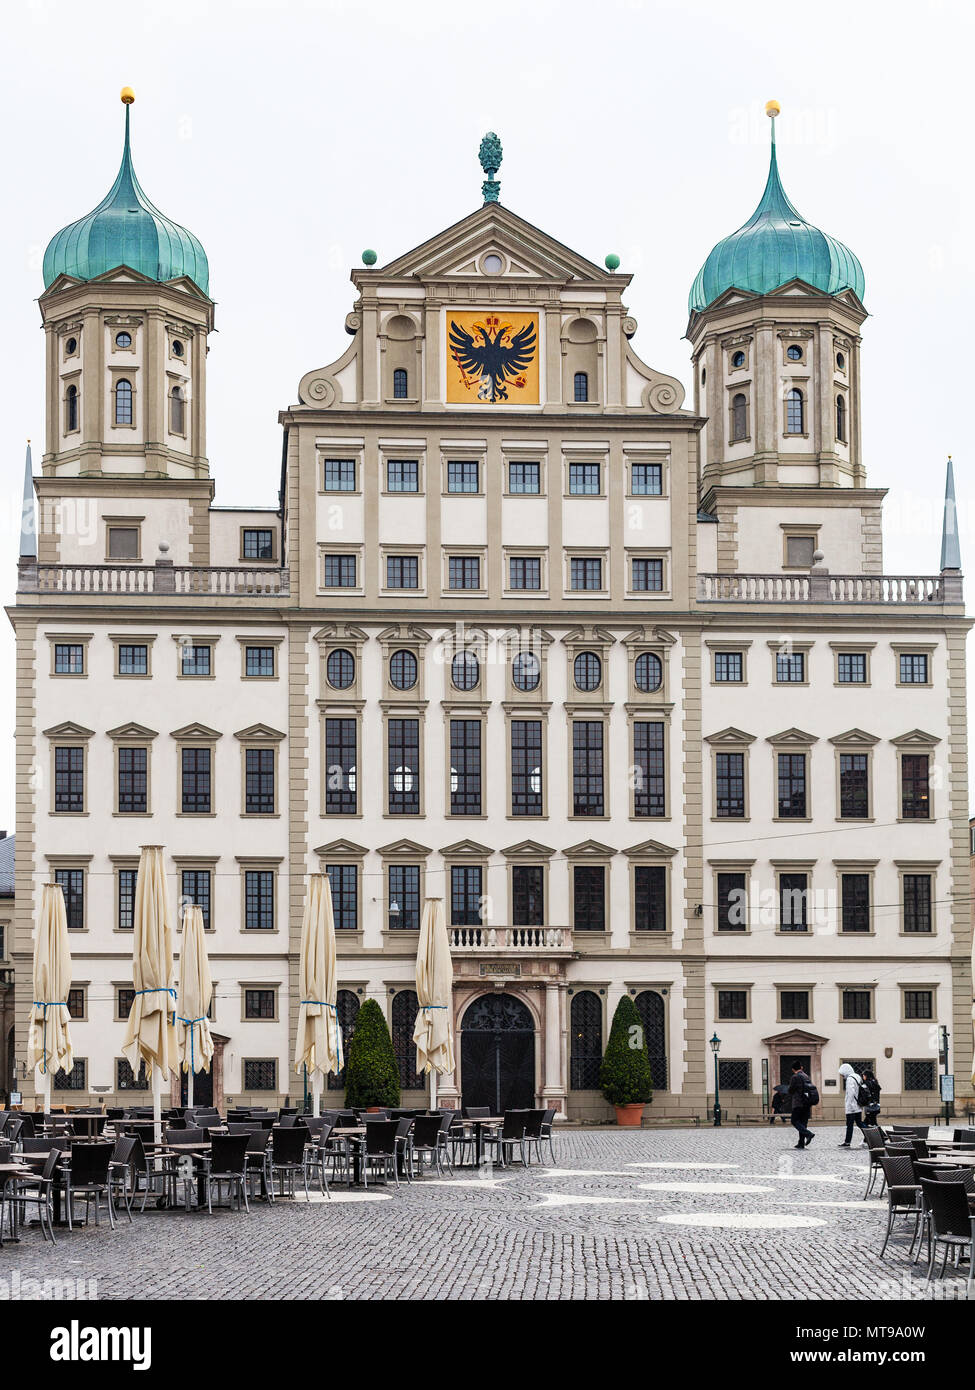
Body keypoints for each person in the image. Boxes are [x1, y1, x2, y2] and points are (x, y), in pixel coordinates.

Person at [837, 1062, 866, 1147]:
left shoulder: (850, 1079)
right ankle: (872, 1134)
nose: (842, 1076)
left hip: (852, 1107)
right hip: (858, 1105)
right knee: (859, 1123)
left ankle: (847, 1142)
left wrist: (850, 1106)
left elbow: (851, 1093)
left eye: (842, 1074)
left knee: (849, 1125)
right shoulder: (857, 1076)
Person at [787, 1061, 815, 1149]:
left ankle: (808, 1134)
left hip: (798, 1103)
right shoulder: (806, 1076)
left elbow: (791, 1090)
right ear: (801, 1067)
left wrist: (789, 1089)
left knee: (794, 1121)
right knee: (803, 1123)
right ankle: (801, 1143)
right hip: (807, 1103)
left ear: (793, 1069)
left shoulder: (795, 1077)